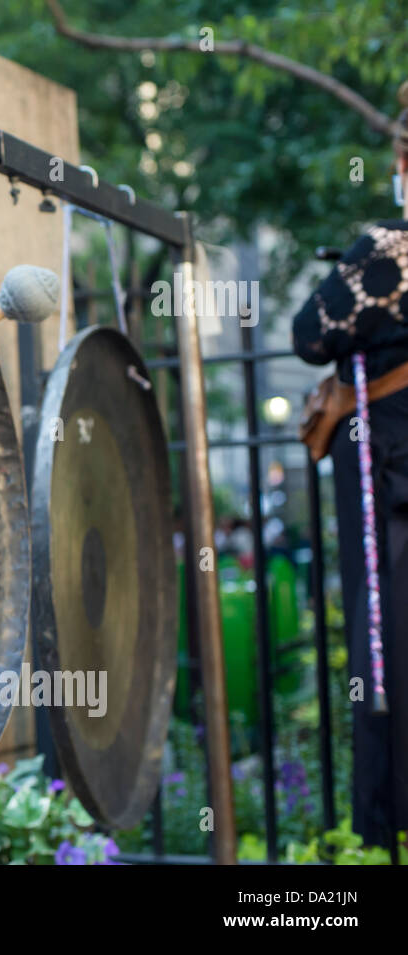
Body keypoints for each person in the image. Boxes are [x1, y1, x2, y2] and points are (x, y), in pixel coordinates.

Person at [291, 88, 408, 849]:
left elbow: (311, 333)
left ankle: (390, 819)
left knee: (391, 643)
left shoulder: (391, 250)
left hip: (394, 463)